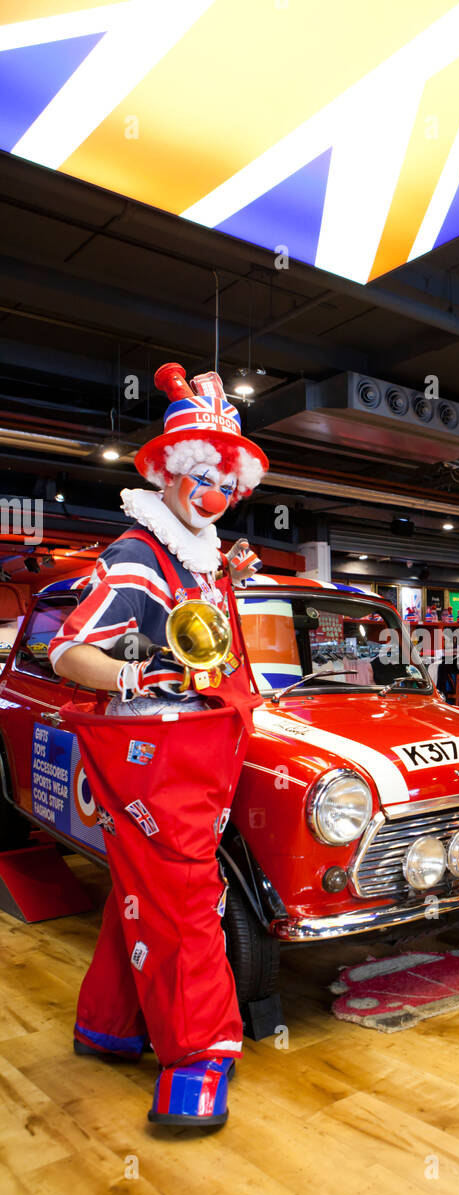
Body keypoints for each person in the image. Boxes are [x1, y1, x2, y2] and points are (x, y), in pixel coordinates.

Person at [49, 363, 267, 1126]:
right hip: (157, 760)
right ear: (173, 472)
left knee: (145, 890)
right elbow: (69, 654)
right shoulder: (140, 553)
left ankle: (107, 1024)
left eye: (228, 483)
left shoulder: (198, 556)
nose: (216, 495)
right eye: (203, 477)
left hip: (202, 752)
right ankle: (198, 1053)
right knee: (184, 902)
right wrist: (135, 676)